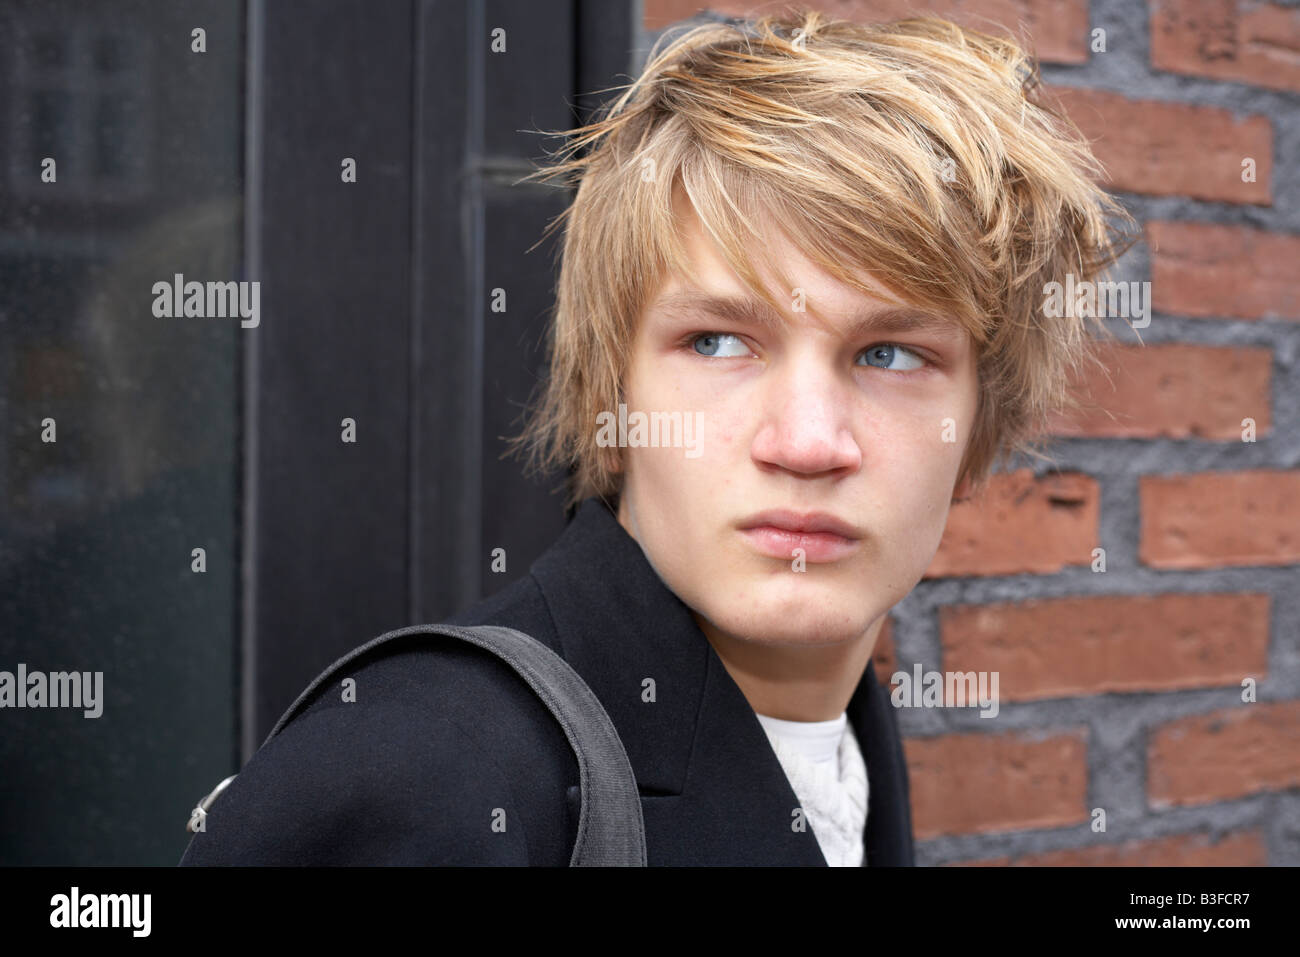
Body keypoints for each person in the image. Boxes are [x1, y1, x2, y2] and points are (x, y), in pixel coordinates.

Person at [179, 8, 1128, 866]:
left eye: (891, 355)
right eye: (718, 342)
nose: (806, 441)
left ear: (978, 427)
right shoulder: (435, 773)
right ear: (614, 396)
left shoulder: (846, 736)